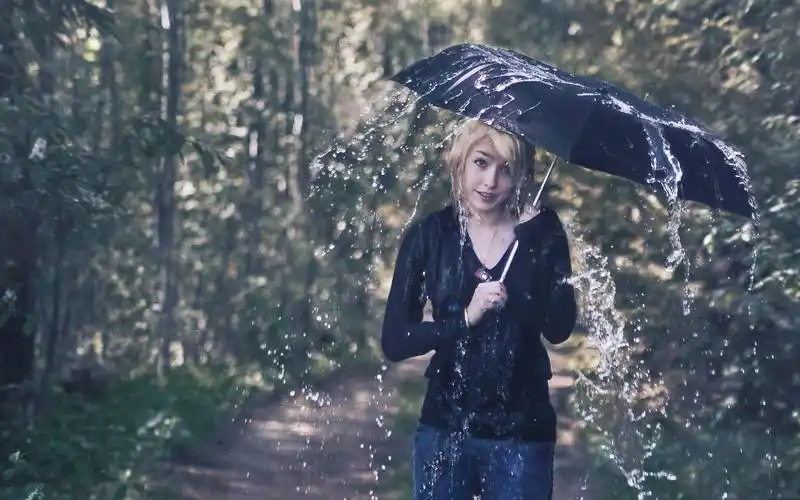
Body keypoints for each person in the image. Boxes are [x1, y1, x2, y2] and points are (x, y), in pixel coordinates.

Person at [380, 119, 577, 500]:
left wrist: (537, 247)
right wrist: (465, 318)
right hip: (444, 431)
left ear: (521, 174)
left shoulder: (542, 231)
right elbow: (395, 340)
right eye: (482, 163)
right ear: (461, 162)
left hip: (523, 436)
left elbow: (559, 328)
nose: (491, 182)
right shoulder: (431, 236)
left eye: (506, 170)